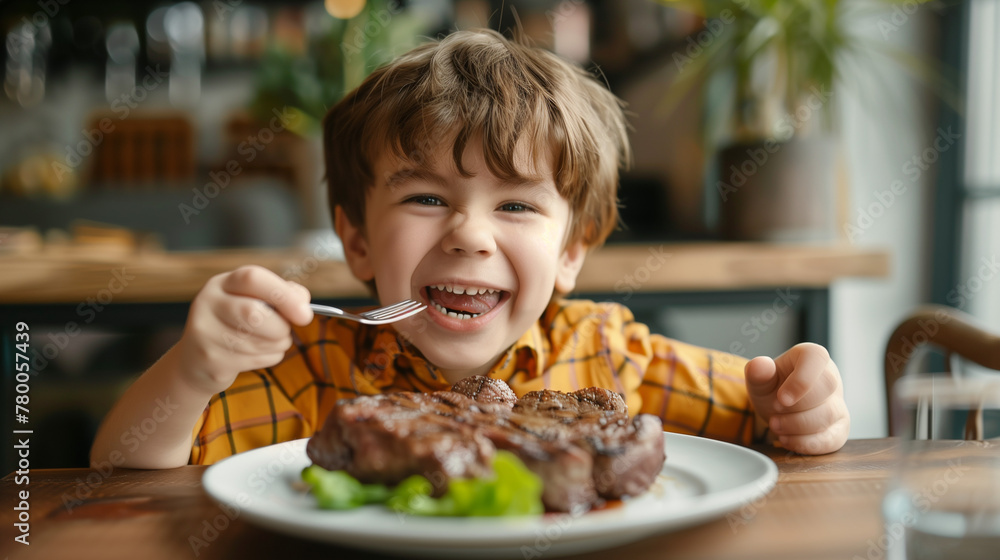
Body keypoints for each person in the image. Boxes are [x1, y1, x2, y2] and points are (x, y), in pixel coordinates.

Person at [90, 29, 849, 470]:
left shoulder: (614, 356)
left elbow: (766, 409)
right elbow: (121, 474)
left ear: (571, 252)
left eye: (516, 205)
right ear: (355, 236)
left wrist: (801, 397)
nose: (469, 235)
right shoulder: (304, 371)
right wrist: (193, 370)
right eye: (426, 198)